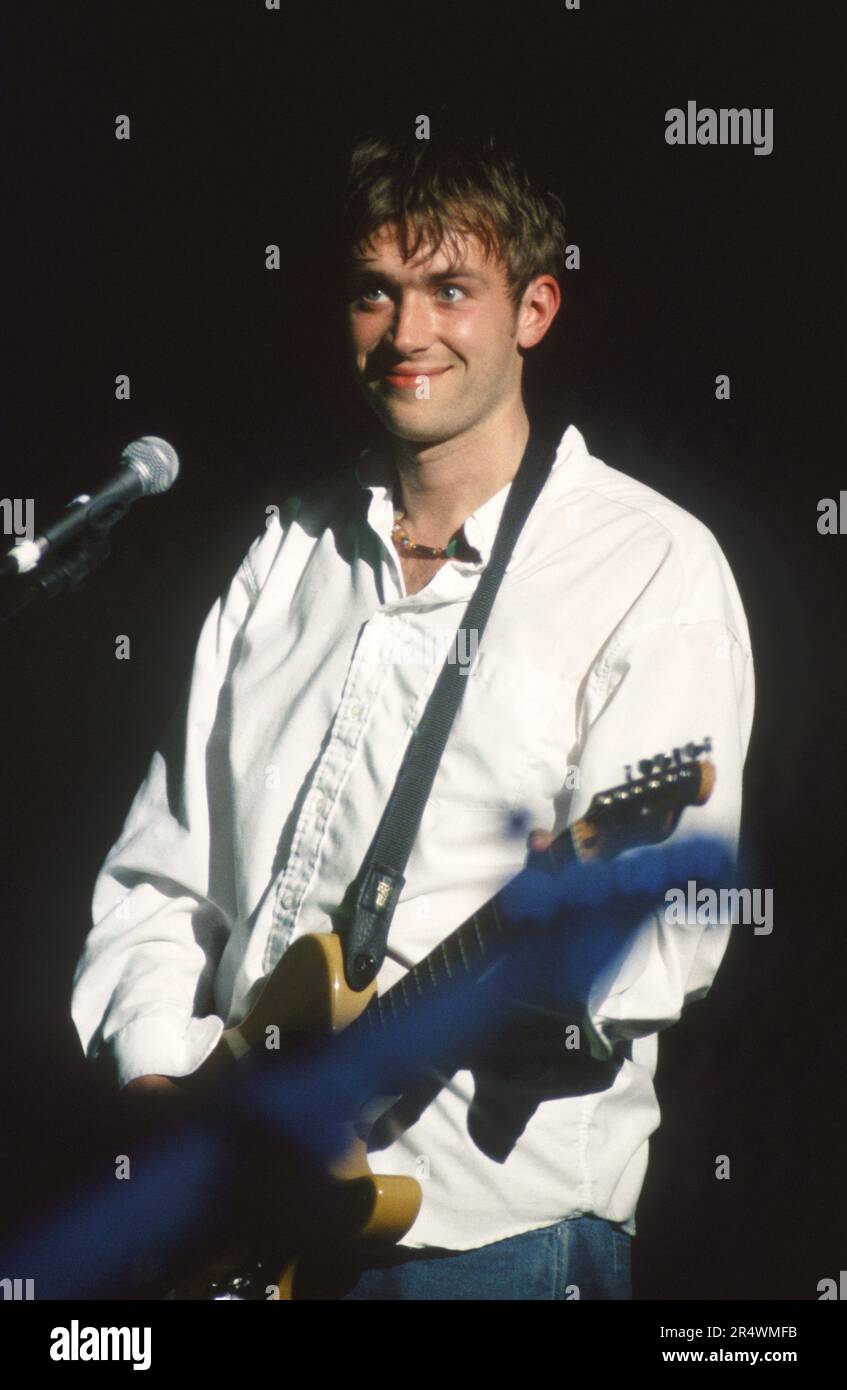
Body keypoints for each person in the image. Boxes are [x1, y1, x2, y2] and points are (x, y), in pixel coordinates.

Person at [70, 116, 755, 1300]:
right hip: (238, 1233)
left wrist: (549, 973)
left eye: (451, 288)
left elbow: (676, 920)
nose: (408, 331)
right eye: (374, 294)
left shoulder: (650, 563)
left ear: (534, 310)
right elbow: (162, 877)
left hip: (491, 1244)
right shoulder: (284, 554)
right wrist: (161, 1087)